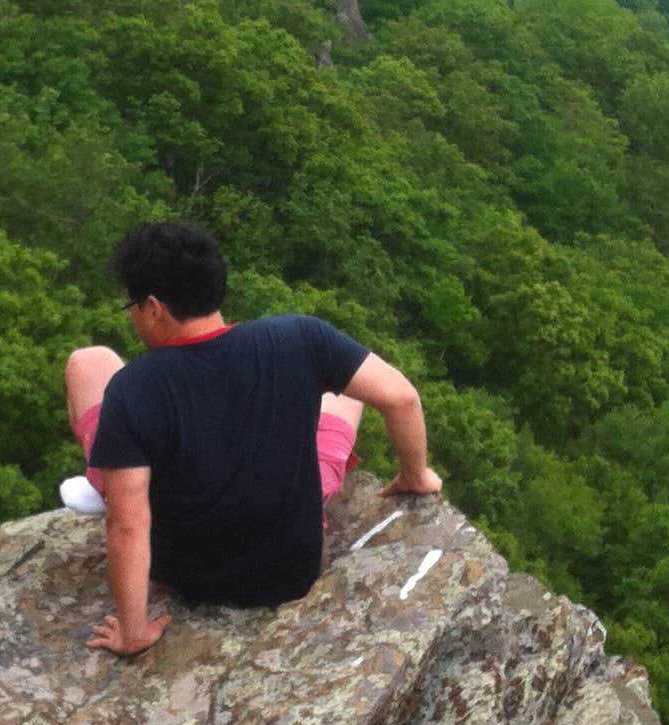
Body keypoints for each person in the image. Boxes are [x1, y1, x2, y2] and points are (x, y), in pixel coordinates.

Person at [62, 220, 441, 657]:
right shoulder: (298, 335)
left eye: (130, 304)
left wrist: (133, 633)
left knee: (90, 362)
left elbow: (128, 526)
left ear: (152, 307)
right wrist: (414, 475)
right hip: (288, 573)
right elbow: (402, 398)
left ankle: (108, 481)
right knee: (345, 392)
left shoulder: (133, 388)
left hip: (183, 573)